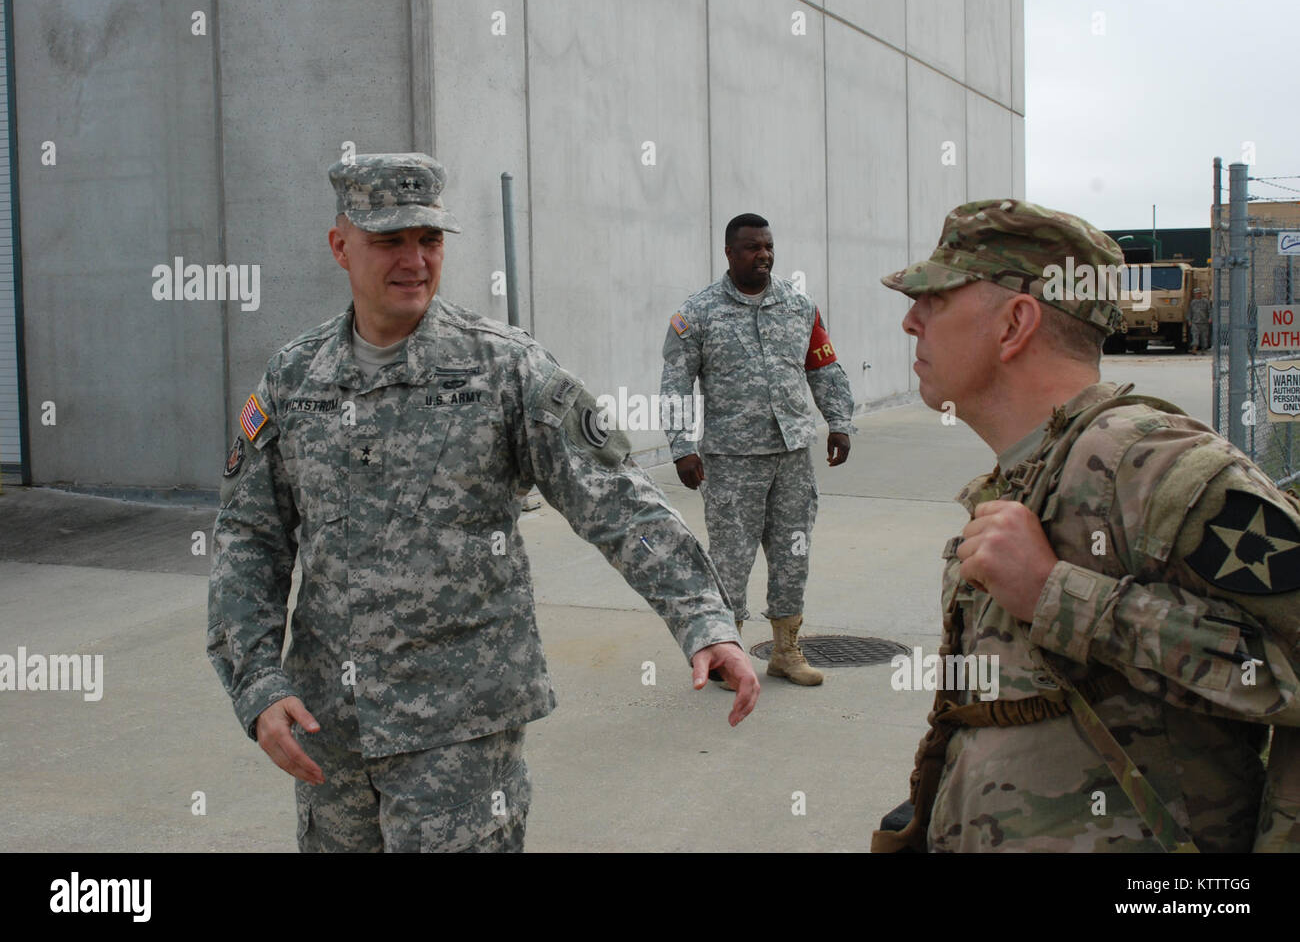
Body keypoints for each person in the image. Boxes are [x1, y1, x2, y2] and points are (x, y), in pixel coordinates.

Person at [207, 153, 758, 853]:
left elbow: (616, 500)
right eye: (389, 241)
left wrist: (704, 619)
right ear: (340, 246)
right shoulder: (295, 377)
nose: (414, 261)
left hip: (460, 731)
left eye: (429, 240)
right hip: (331, 730)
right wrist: (255, 680)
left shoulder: (502, 368)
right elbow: (250, 538)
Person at [871, 198, 1300, 853]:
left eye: (935, 299)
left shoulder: (1160, 471)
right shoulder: (1028, 471)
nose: (911, 322)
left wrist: (1059, 597)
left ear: (1015, 323)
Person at [660, 214, 855, 688]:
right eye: (751, 248)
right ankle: (730, 655)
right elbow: (676, 384)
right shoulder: (698, 313)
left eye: (768, 246)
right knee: (730, 559)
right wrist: (683, 446)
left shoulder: (799, 305)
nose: (763, 255)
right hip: (731, 459)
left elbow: (823, 369)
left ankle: (787, 650)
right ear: (730, 253)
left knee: (793, 552)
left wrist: (840, 421)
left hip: (791, 455)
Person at [1188, 287, 1211, 354]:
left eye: (1199, 293)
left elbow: (1210, 311)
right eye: (1196, 294)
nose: (1198, 295)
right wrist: (1189, 320)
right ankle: (1194, 349)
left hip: (1204, 322)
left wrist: (1210, 318)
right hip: (1195, 322)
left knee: (1204, 337)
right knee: (1195, 336)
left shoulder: (1206, 302)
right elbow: (1190, 312)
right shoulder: (1193, 302)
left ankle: (1203, 350)